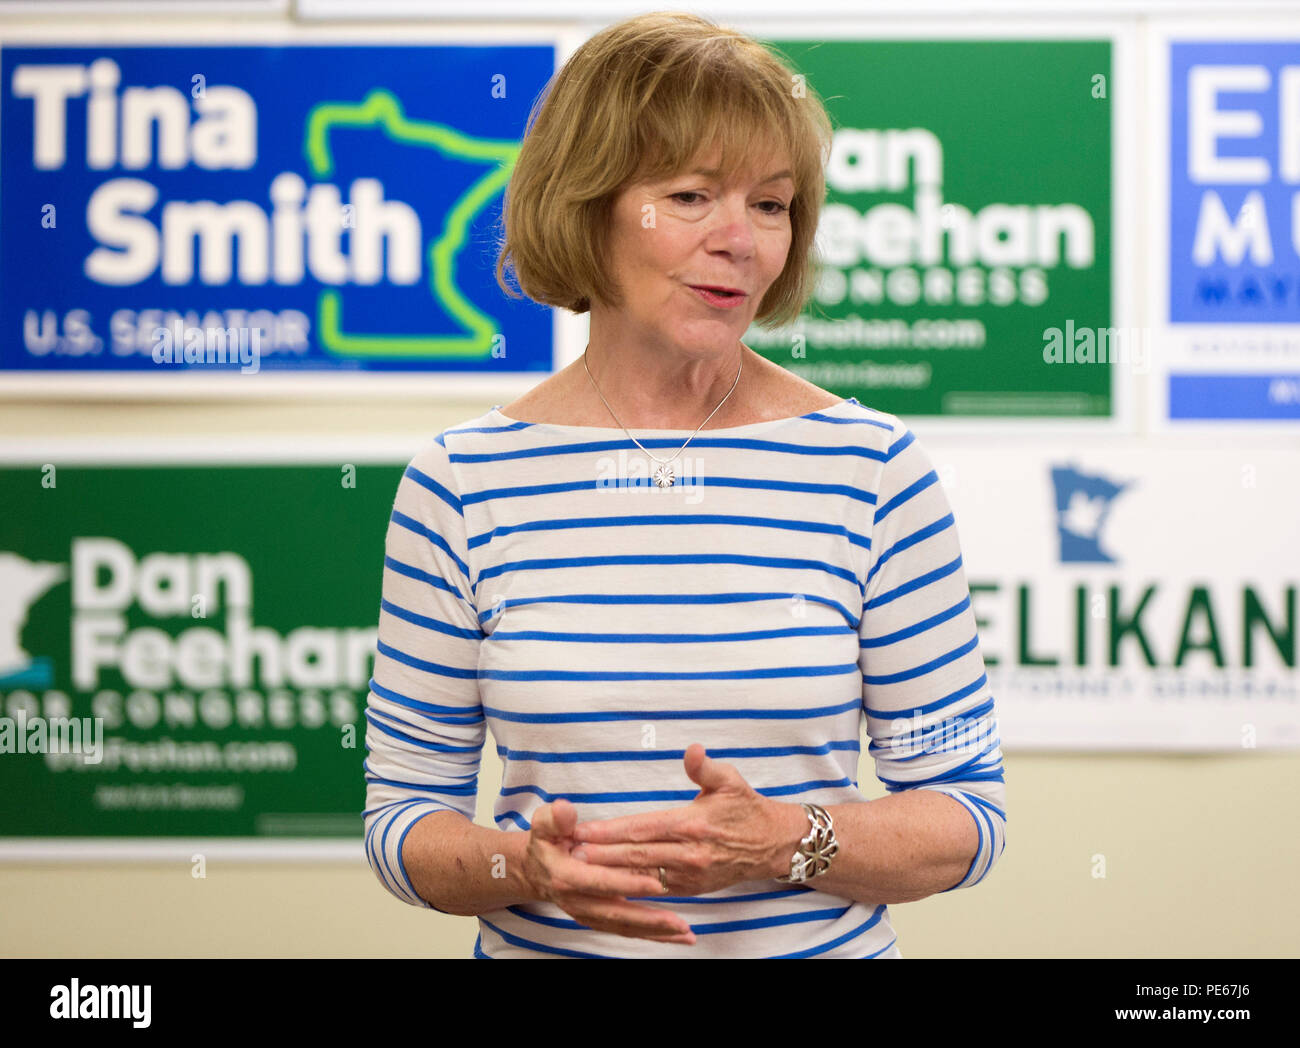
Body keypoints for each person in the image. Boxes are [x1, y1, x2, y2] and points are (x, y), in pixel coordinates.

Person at [361, 11, 1006, 958]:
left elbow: (966, 816)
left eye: (772, 205)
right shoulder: (463, 482)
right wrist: (526, 869)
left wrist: (788, 843)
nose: (739, 241)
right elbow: (405, 820)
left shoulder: (872, 469)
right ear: (588, 202)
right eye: (693, 196)